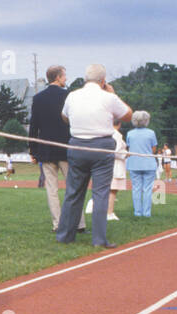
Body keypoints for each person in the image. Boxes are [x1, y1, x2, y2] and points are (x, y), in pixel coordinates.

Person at [55, 64, 130, 249]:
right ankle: (98, 239)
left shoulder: (72, 95)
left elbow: (64, 117)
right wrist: (113, 94)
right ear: (103, 81)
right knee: (100, 193)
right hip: (101, 148)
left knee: (73, 193)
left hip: (77, 146)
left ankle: (65, 236)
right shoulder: (108, 97)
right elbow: (128, 115)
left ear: (85, 79)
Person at [29, 65, 82, 232]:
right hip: (66, 149)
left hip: (46, 151)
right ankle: (79, 224)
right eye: (64, 76)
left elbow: (33, 127)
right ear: (58, 77)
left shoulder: (38, 98)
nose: (66, 79)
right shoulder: (69, 96)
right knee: (74, 189)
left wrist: (33, 151)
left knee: (51, 190)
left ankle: (58, 224)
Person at [125, 110, 158, 217]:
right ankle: (147, 213)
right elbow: (153, 149)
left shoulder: (129, 133)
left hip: (134, 164)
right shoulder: (151, 133)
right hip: (148, 163)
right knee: (148, 189)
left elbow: (129, 148)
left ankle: (137, 213)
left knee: (136, 189)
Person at [108, 124, 127, 220]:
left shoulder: (107, 132)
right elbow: (118, 152)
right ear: (119, 124)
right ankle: (109, 213)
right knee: (113, 189)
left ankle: (107, 211)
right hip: (115, 164)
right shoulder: (116, 135)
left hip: (109, 163)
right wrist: (126, 154)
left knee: (109, 189)